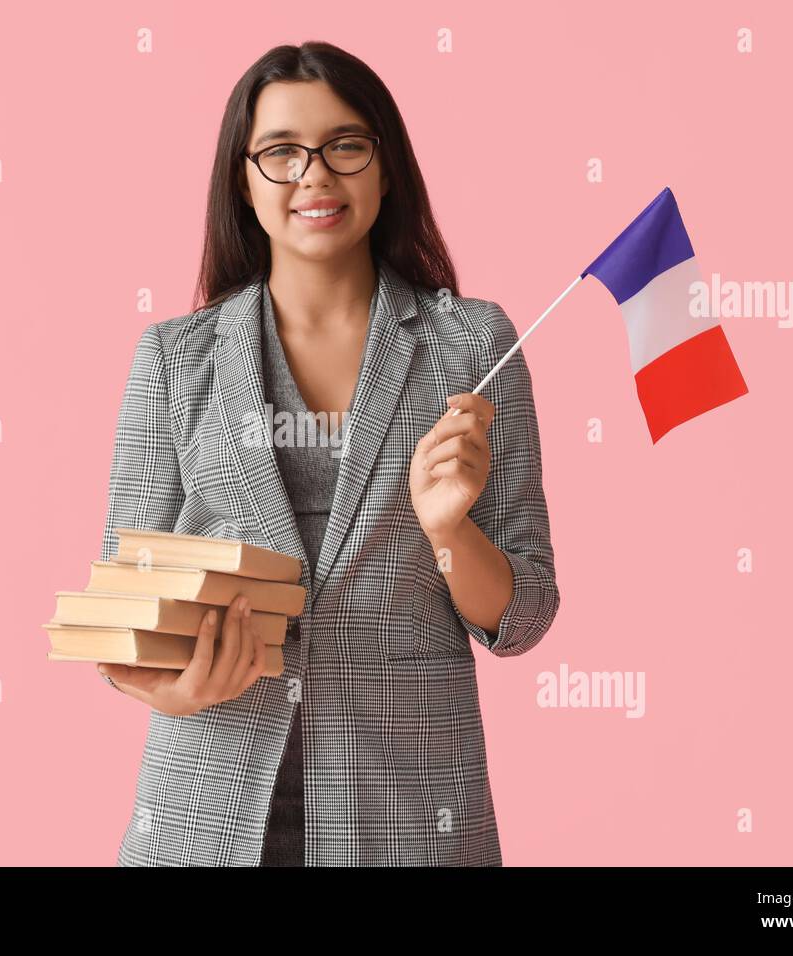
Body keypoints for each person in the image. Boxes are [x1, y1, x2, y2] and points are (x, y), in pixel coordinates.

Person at [94, 41, 561, 866]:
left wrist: (450, 532)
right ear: (244, 180)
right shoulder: (173, 358)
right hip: (205, 815)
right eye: (281, 152)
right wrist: (174, 687)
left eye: (345, 145)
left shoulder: (473, 347)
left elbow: (522, 620)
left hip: (412, 821)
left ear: (386, 169)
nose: (314, 175)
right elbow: (118, 618)